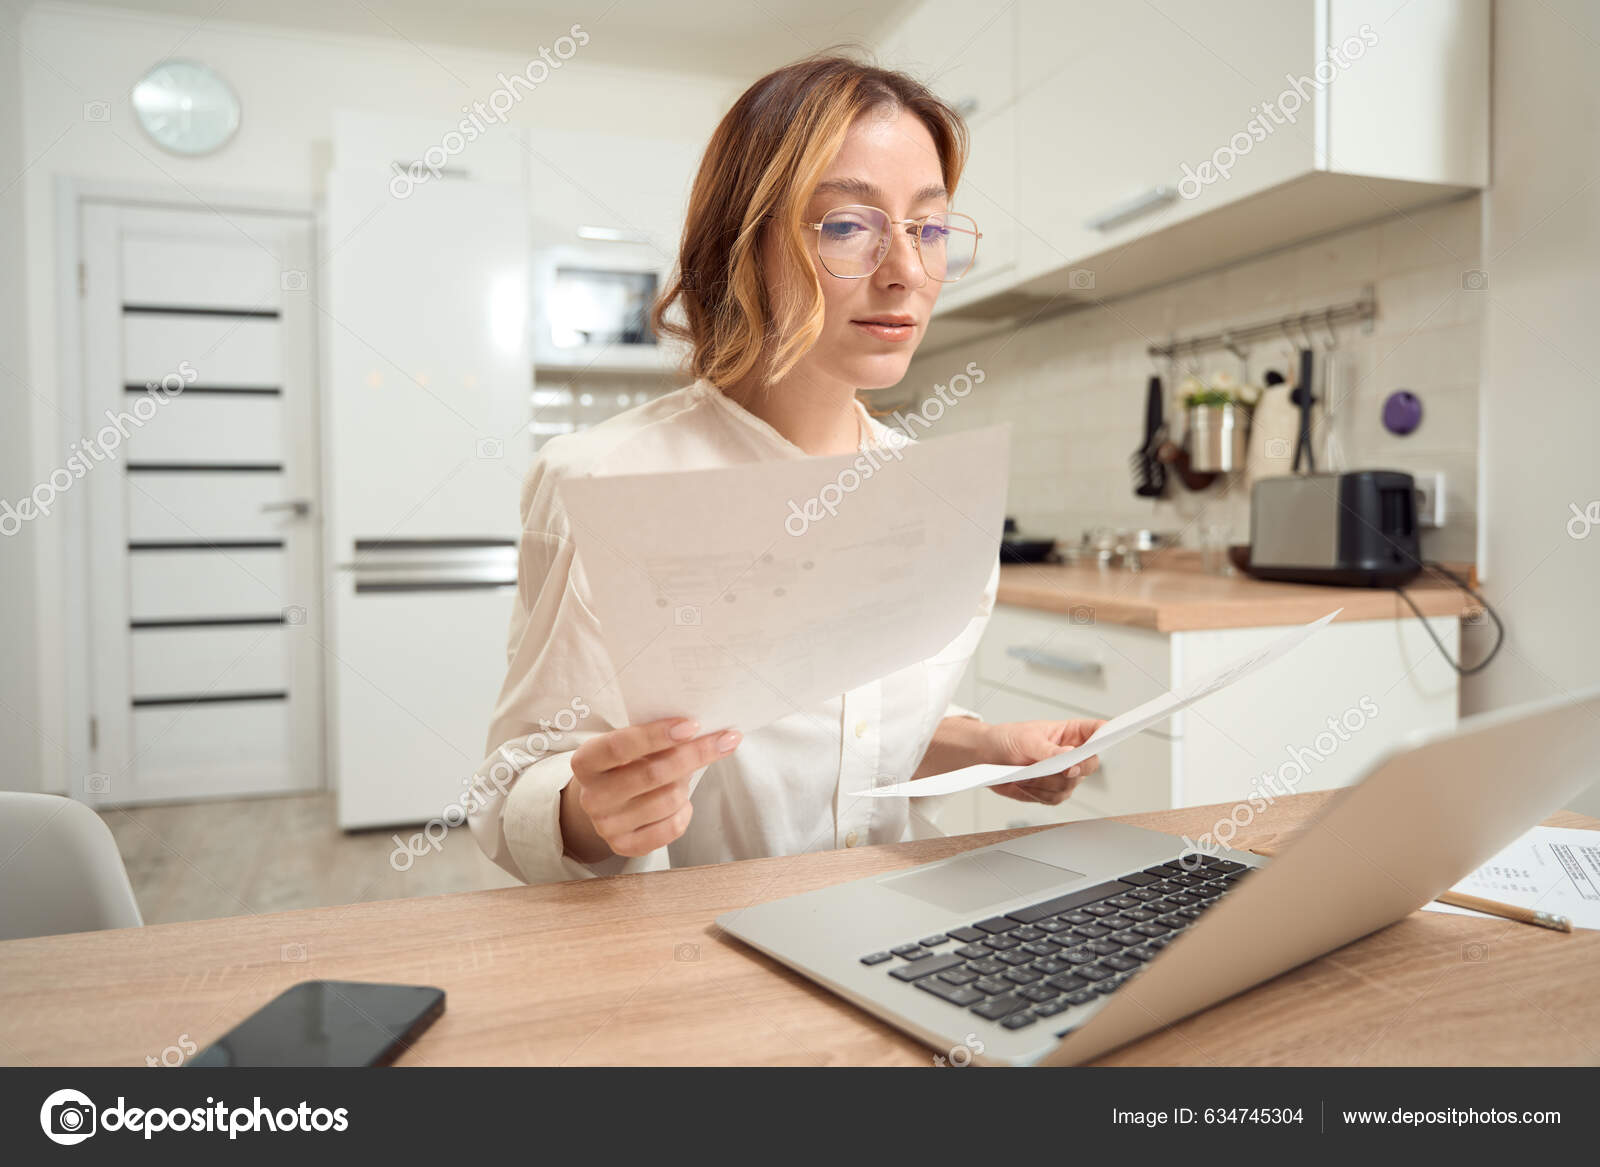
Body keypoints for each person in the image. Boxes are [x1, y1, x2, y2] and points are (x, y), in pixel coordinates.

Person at [470, 53, 1104, 884]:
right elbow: (509, 793)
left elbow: (857, 737)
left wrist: (985, 745)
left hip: (895, 927)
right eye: (847, 226)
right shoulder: (604, 480)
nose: (905, 272)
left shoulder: (932, 490)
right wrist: (591, 814)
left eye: (929, 229)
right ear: (742, 241)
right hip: (698, 945)